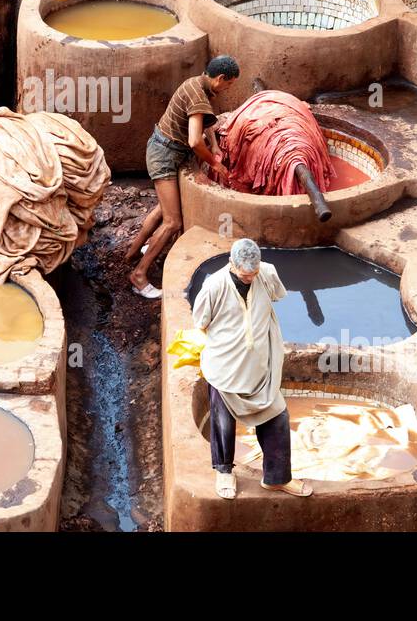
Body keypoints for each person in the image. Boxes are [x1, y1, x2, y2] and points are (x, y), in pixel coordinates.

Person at [193, 238, 310, 500]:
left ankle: (277, 478)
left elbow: (278, 295)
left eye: (253, 273)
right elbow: (200, 321)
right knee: (223, 422)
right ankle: (224, 473)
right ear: (232, 265)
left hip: (260, 368)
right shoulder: (214, 285)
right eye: (245, 274)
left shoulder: (266, 274)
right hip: (226, 368)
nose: (250, 278)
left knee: (277, 416)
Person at [124, 55, 240, 298]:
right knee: (172, 222)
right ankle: (139, 274)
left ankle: (132, 253)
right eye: (229, 84)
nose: (228, 89)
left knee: (160, 210)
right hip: (165, 154)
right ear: (220, 78)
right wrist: (214, 164)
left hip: (166, 148)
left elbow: (205, 120)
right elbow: (194, 140)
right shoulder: (198, 94)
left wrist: (215, 145)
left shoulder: (197, 84)